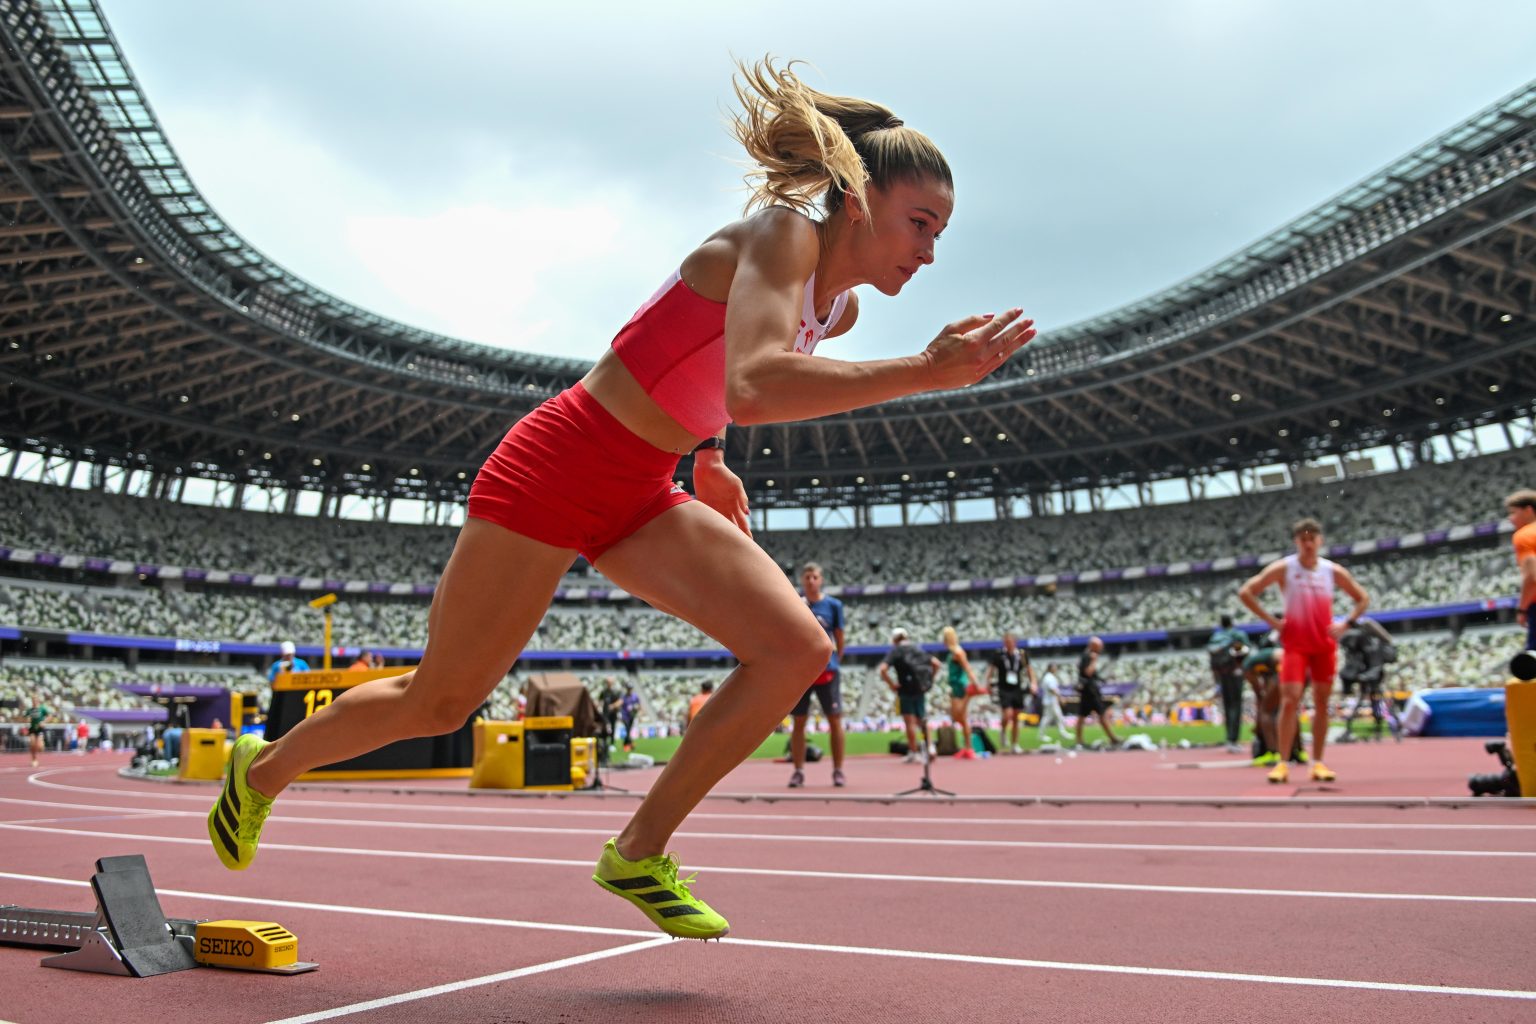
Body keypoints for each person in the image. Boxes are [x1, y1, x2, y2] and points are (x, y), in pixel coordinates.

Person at [205, 57, 1034, 942]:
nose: (930, 252)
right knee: (442, 702)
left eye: (941, 233)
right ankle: (261, 770)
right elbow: (755, 382)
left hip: (644, 486)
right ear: (857, 199)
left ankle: (639, 850)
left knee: (796, 648)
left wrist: (710, 455)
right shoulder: (784, 233)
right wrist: (924, 372)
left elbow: (723, 377)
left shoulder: (841, 312)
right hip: (556, 467)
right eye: (920, 223)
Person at [1238, 517, 1370, 785]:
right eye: (1303, 540)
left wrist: (1347, 623)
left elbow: (1362, 598)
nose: (1308, 545)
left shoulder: (1332, 571)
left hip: (1324, 645)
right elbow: (1246, 592)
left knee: (1322, 703)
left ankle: (1318, 762)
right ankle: (1282, 763)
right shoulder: (1285, 568)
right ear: (1296, 542)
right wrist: (1272, 622)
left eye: (1312, 539)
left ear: (1320, 541)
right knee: (1290, 699)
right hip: (1295, 645)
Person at [787, 562, 847, 788]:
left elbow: (839, 637)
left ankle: (838, 770)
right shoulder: (795, 603)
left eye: (815, 577)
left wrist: (835, 660)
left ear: (821, 580)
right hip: (801, 672)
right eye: (807, 577)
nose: (811, 581)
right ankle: (799, 771)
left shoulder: (833, 605)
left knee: (835, 720)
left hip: (827, 671)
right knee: (799, 722)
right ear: (802, 581)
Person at [879, 627, 942, 764]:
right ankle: (930, 747)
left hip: (905, 689)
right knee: (922, 719)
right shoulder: (917, 648)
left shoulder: (896, 651)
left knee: (910, 722)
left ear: (895, 640)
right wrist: (930, 680)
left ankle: (914, 752)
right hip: (920, 688)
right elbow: (936, 664)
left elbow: (883, 669)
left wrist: (892, 684)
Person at [1338, 618, 1400, 743]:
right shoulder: (1363, 646)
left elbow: (1375, 666)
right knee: (1373, 702)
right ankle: (1375, 729)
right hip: (1368, 676)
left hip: (1374, 679)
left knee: (1378, 702)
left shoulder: (1373, 645)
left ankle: (1390, 729)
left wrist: (1365, 676)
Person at [1206, 614, 1250, 754]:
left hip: (1222, 675)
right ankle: (1234, 739)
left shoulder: (1216, 637)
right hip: (1235, 672)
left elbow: (1211, 657)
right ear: (1232, 622)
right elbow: (1246, 650)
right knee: (1236, 706)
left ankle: (1229, 738)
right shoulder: (1238, 634)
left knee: (1227, 705)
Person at [987, 630, 1036, 754]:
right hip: (1004, 688)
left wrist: (1033, 683)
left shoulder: (1022, 654)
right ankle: (1003, 731)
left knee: (1016, 716)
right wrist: (987, 683)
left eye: (1010, 642)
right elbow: (991, 670)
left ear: (1015, 642)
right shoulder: (998, 654)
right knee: (1007, 714)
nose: (1008, 644)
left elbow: (1030, 670)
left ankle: (1015, 744)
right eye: (1006, 642)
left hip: (1017, 688)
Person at [940, 626, 980, 759]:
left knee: (960, 716)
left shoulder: (958, 652)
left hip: (961, 686)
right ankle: (967, 747)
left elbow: (967, 667)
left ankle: (969, 748)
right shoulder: (952, 652)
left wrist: (975, 684)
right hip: (955, 686)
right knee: (958, 717)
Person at [1073, 637, 1120, 748]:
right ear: (1093, 645)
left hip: (1087, 690)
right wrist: (1094, 661)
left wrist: (1102, 678)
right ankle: (1113, 739)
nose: (1101, 648)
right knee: (1101, 714)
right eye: (1100, 645)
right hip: (1090, 691)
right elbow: (1088, 672)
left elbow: (1089, 674)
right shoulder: (1089, 656)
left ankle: (1079, 741)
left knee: (1082, 716)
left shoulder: (1084, 656)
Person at [1508, 489, 1536, 653]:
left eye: (1513, 513)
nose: (1510, 519)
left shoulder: (1524, 535)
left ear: (1528, 510)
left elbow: (1532, 576)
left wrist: (1522, 609)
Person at [1036, 663, 1070, 745]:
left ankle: (1062, 732)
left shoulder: (1049, 677)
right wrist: (1060, 698)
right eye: (1054, 667)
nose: (1056, 669)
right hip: (1050, 701)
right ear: (1050, 668)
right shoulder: (1049, 677)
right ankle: (1041, 734)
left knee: (1058, 717)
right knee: (1047, 718)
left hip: (1051, 700)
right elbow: (1052, 689)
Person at [25, 693, 50, 769]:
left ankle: (42, 744)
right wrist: (27, 720)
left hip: (40, 729)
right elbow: (26, 717)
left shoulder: (42, 709)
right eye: (33, 700)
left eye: (36, 700)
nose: (34, 702)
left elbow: (49, 716)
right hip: (32, 729)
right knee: (32, 744)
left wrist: (44, 722)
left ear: (38, 701)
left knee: (40, 747)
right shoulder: (30, 710)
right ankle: (34, 759)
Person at [619, 683, 641, 752]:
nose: (629, 690)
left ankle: (627, 744)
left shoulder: (635, 696)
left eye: (630, 689)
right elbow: (620, 703)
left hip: (632, 716)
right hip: (625, 716)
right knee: (627, 729)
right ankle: (629, 744)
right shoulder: (624, 696)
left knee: (628, 731)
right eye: (628, 689)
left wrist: (636, 708)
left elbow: (639, 705)